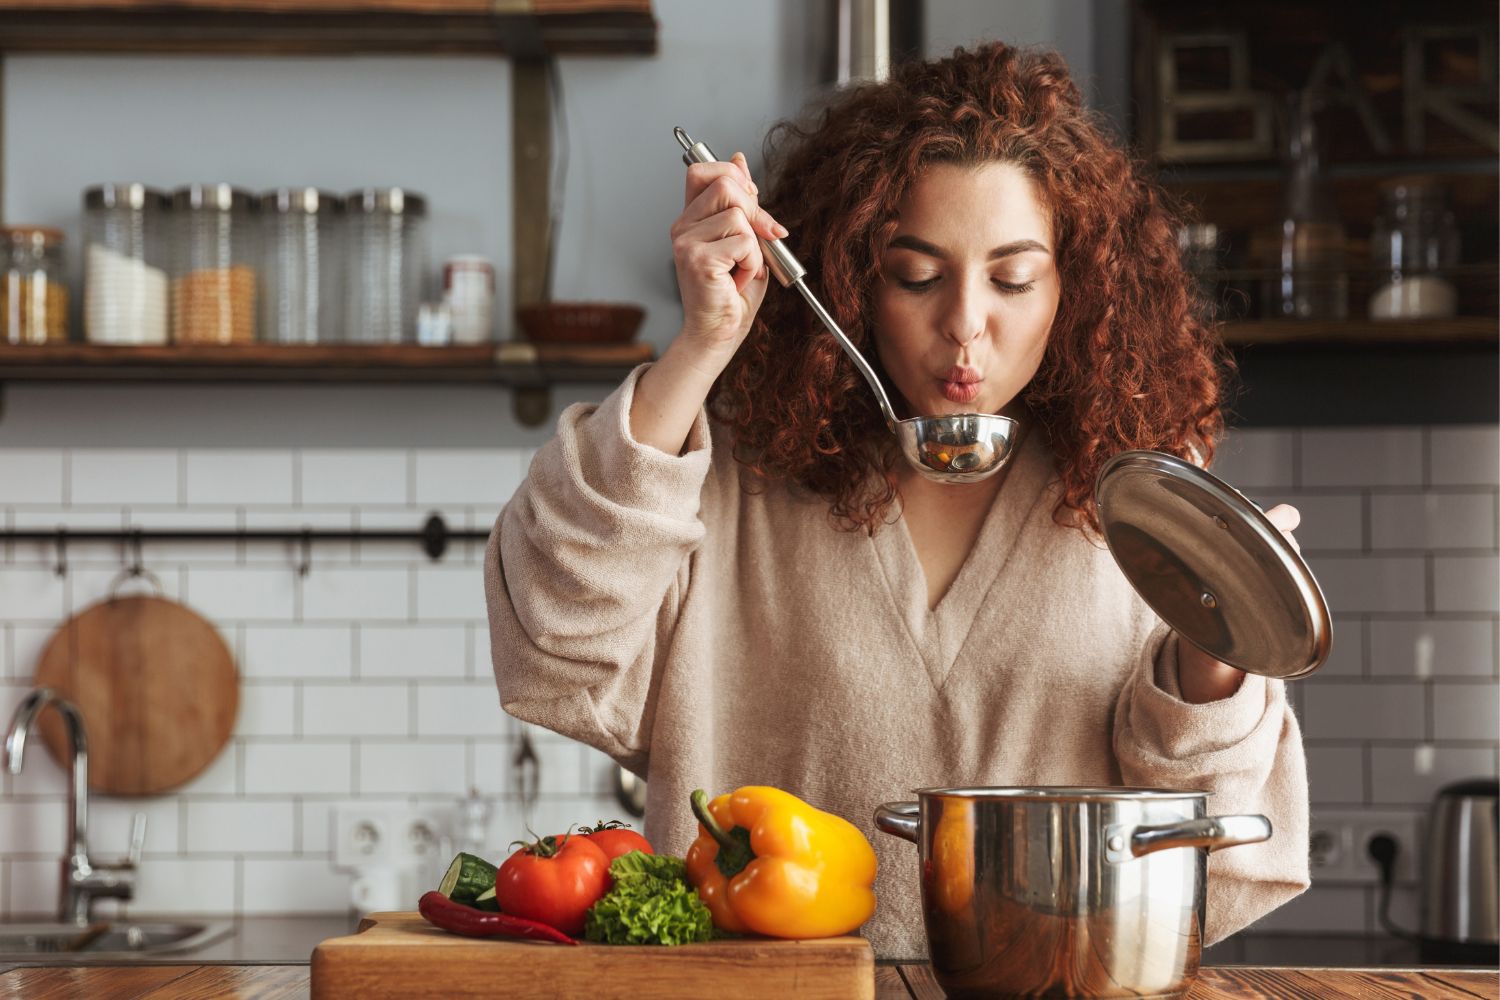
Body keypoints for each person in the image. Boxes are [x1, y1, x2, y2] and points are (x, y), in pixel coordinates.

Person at [484, 41, 1309, 958]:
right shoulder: (730, 479)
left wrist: (1218, 649)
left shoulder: (1145, 500)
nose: (965, 324)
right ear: (852, 280)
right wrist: (702, 346)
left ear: (1073, 289)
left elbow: (1207, 835)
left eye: (1012, 279)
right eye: (916, 276)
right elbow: (555, 643)